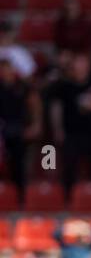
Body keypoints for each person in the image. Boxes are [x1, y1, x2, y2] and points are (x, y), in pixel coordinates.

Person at [46, 54, 91, 199]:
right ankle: (69, 199)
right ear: (73, 67)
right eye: (79, 65)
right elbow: (56, 108)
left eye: (85, 64)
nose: (82, 68)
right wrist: (58, 129)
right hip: (71, 132)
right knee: (69, 166)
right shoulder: (64, 86)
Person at [0, 57, 41, 201]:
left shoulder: (22, 86)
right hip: (2, 130)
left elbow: (35, 104)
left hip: (20, 129)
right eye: (3, 69)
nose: (6, 72)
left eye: (8, 68)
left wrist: (35, 124)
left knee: (19, 165)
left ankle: (21, 198)